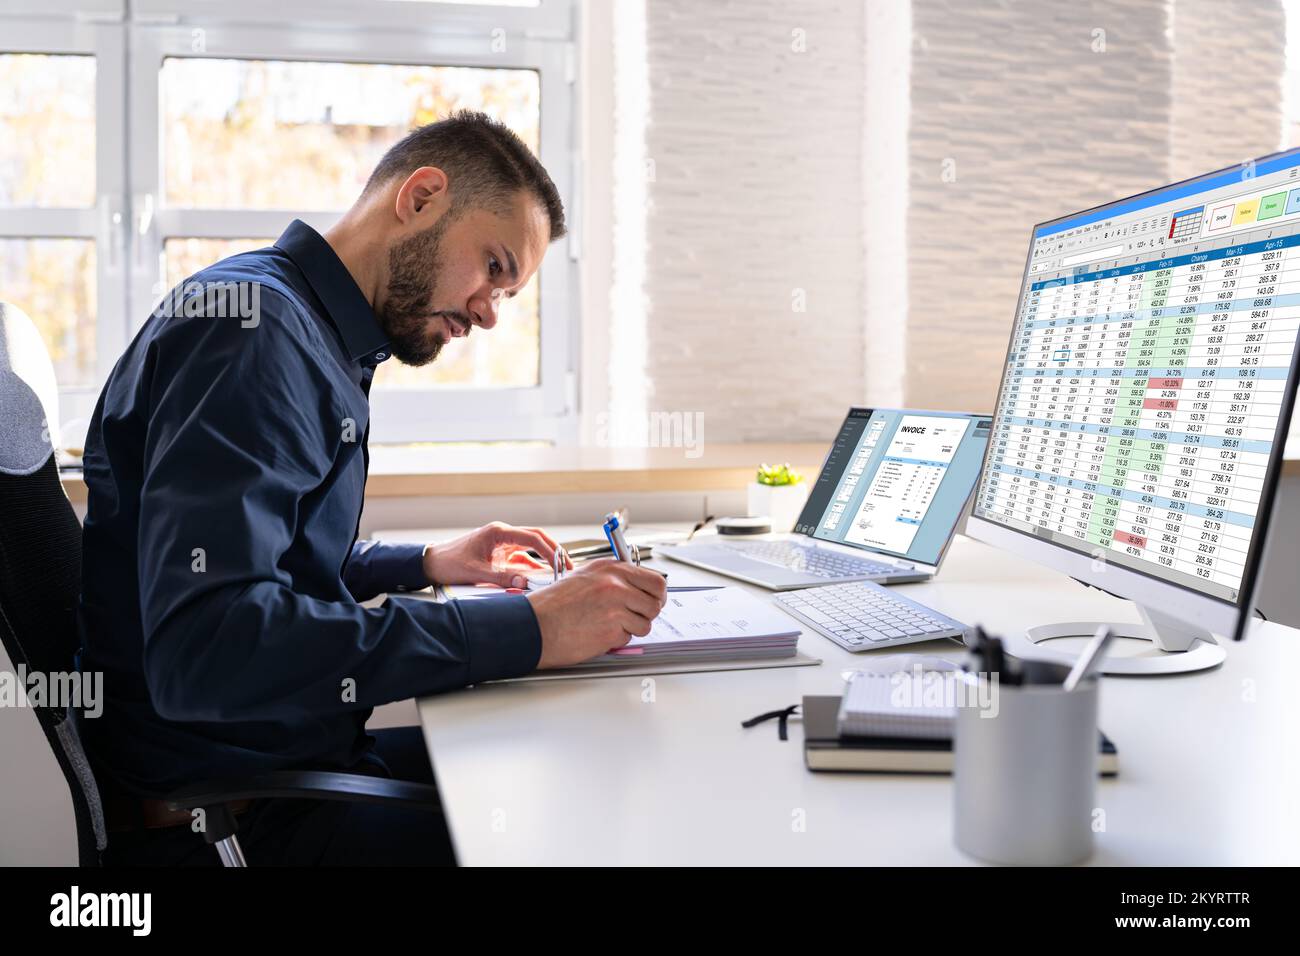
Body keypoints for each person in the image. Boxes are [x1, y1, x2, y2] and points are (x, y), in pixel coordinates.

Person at [79, 110, 667, 865]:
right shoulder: (255, 333)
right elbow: (209, 644)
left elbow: (266, 559)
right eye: (492, 267)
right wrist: (530, 629)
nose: (489, 314)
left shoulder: (306, 328)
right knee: (601, 830)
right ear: (420, 197)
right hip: (239, 819)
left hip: (284, 769)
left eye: (508, 295)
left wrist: (425, 563)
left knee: (586, 760)